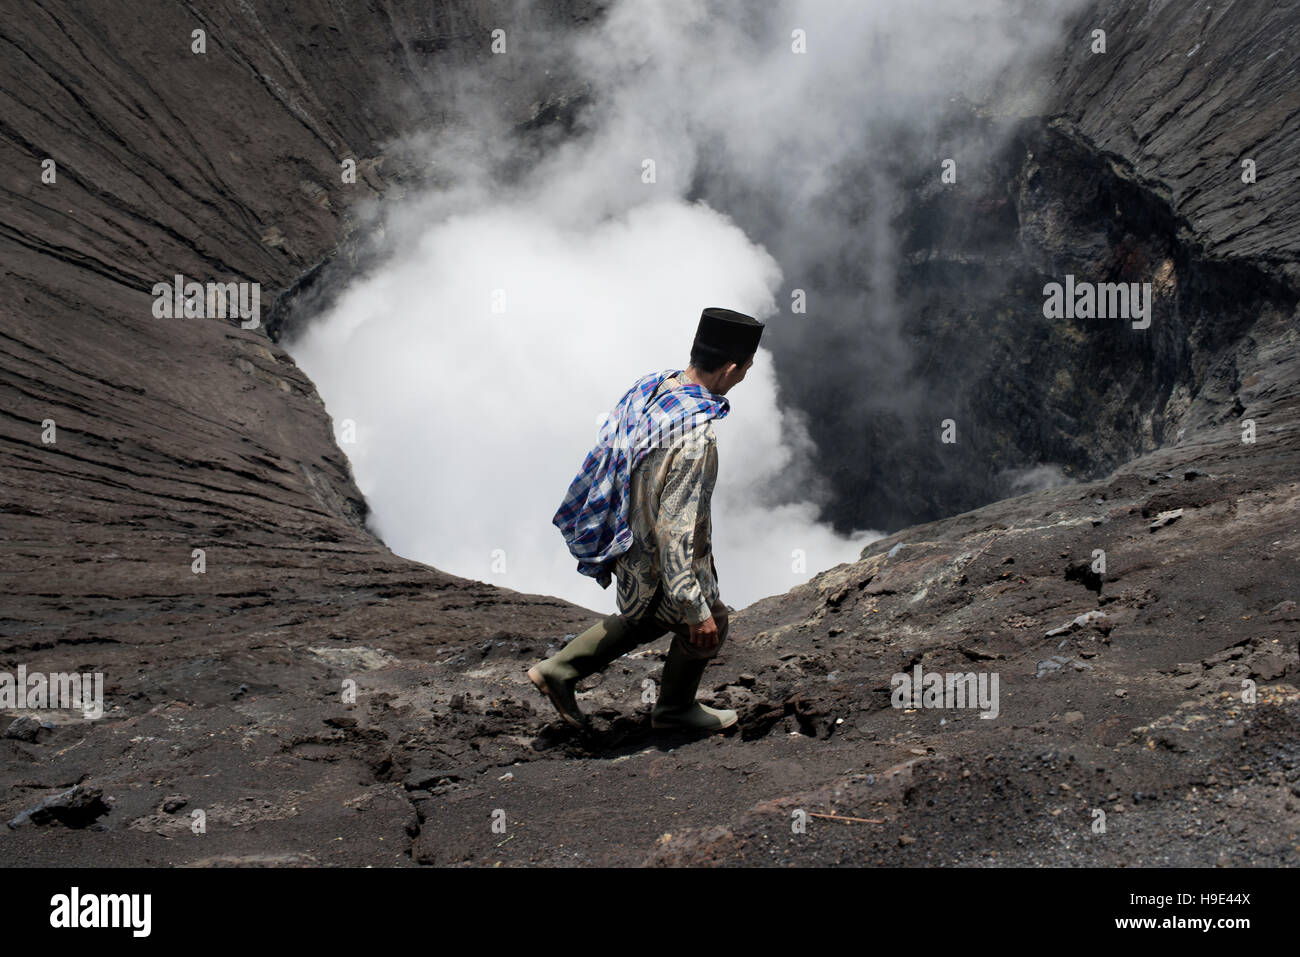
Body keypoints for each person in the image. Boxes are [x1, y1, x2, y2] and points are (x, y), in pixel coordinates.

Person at [531, 307, 764, 733]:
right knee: (710, 624)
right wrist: (694, 606)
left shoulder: (653, 386)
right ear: (731, 368)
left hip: (624, 535)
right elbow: (677, 529)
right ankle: (675, 711)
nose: (745, 375)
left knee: (644, 616)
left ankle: (559, 670)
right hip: (658, 555)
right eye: (746, 368)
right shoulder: (696, 434)